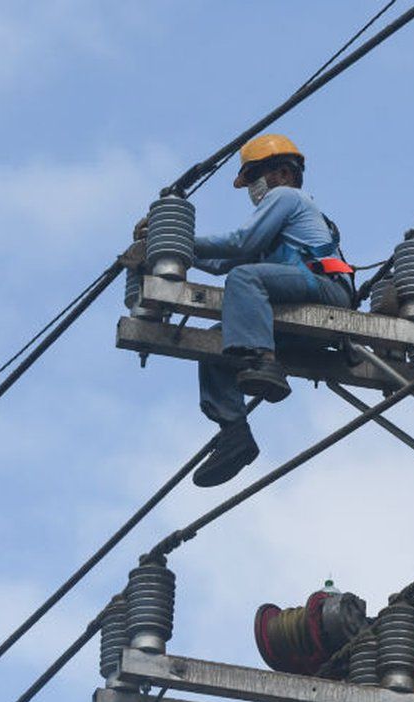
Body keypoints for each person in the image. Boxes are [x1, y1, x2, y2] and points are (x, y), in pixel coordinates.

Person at [138, 133, 355, 487]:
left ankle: (262, 361)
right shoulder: (273, 232)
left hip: (325, 292)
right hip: (294, 307)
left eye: (255, 176)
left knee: (244, 278)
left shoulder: (286, 197)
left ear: (283, 173)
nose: (252, 187)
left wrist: (181, 240)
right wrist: (167, 243)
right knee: (214, 345)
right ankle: (235, 433)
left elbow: (242, 245)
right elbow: (226, 261)